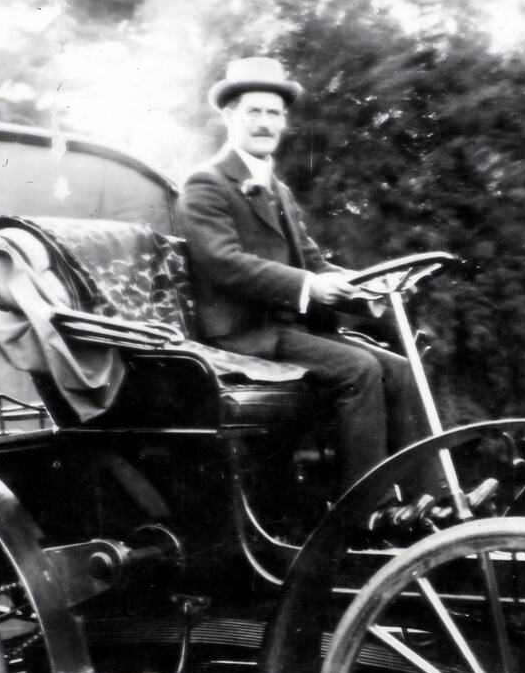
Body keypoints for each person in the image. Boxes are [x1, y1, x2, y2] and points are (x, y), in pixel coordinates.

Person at [174, 57, 429, 491]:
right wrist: (309, 286)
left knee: (401, 369)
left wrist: (369, 289)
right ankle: (369, 510)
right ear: (229, 116)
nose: (264, 122)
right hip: (243, 335)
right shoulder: (206, 184)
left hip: (290, 332)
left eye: (273, 113)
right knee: (360, 369)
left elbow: (312, 262)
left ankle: (423, 501)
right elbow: (225, 263)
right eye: (253, 111)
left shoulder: (280, 191)